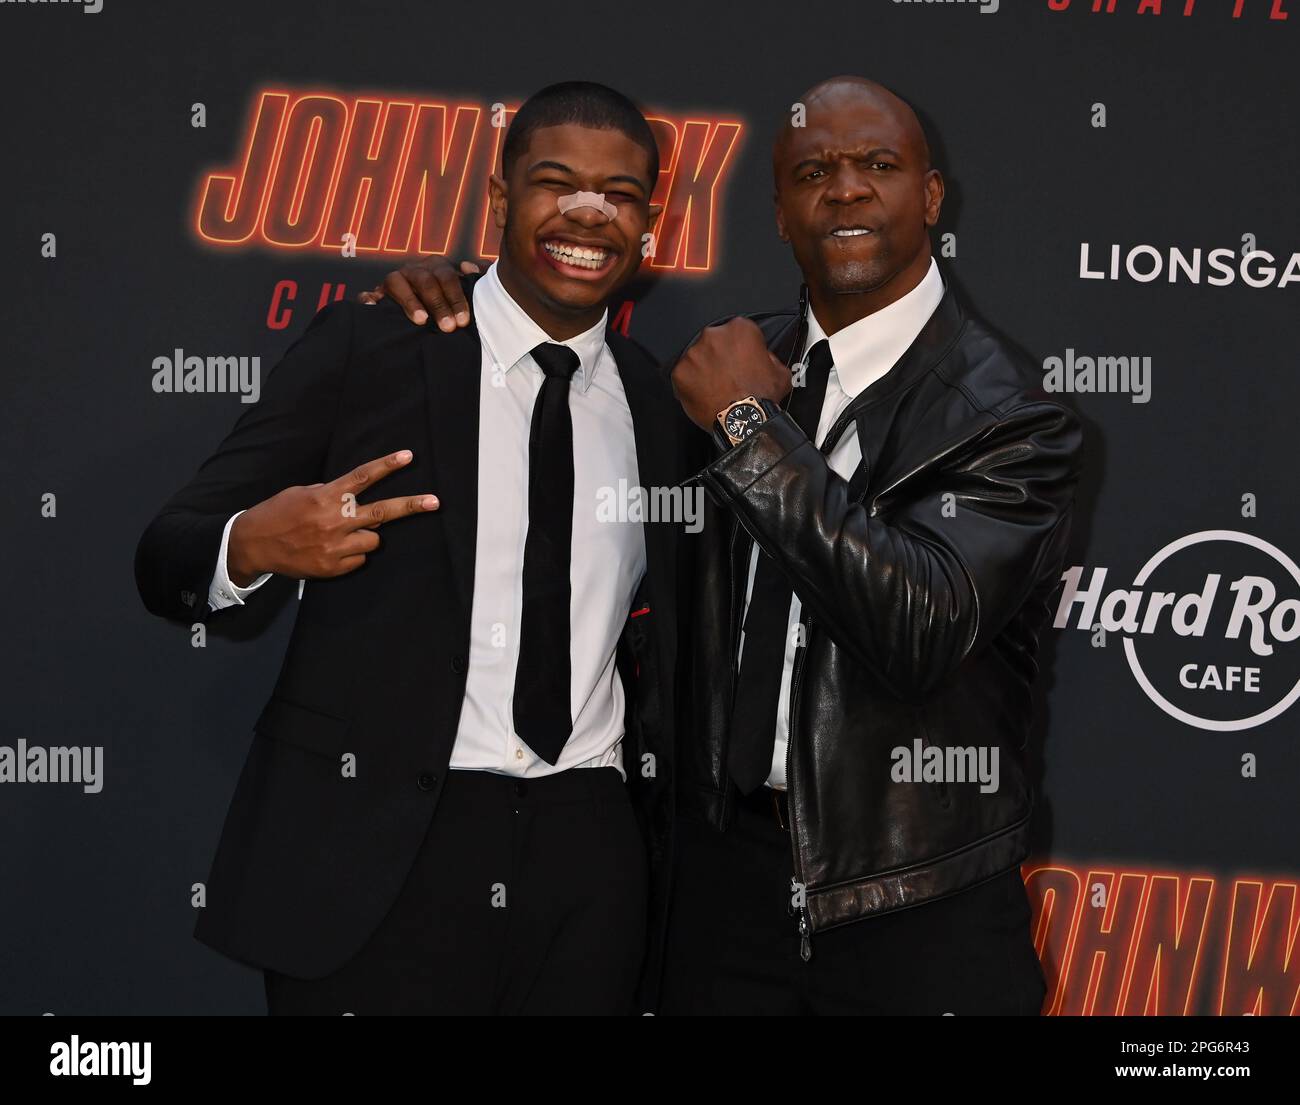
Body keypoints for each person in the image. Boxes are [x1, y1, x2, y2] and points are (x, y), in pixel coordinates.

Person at [370, 75, 1083, 1016]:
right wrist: (470, 301)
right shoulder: (717, 370)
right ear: (782, 211)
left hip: (914, 902)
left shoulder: (1013, 420)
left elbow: (916, 623)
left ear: (933, 197)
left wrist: (751, 428)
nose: (847, 189)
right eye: (814, 171)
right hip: (716, 893)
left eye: (879, 165)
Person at [135, 81, 689, 1015]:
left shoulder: (663, 402)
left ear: (648, 222)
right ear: (499, 200)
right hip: (379, 849)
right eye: (555, 181)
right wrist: (255, 543)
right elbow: (168, 555)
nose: (587, 212)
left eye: (620, 193)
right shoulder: (375, 345)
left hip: (588, 855)